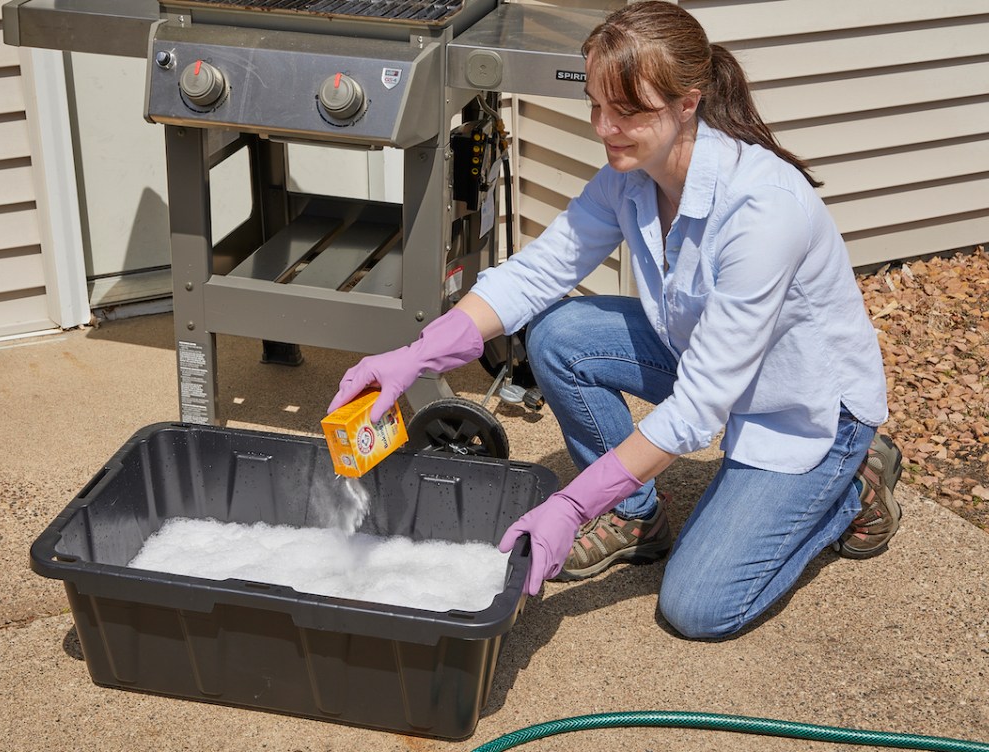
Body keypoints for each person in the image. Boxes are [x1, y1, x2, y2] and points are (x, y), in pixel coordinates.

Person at [327, 1, 902, 640]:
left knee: (698, 608)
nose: (606, 127)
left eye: (629, 111)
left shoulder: (763, 213)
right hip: (708, 362)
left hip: (804, 409)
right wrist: (413, 358)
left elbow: (697, 408)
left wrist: (571, 506)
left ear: (690, 102)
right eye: (597, 106)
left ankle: (855, 482)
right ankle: (633, 514)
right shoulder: (631, 177)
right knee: (557, 335)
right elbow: (535, 274)